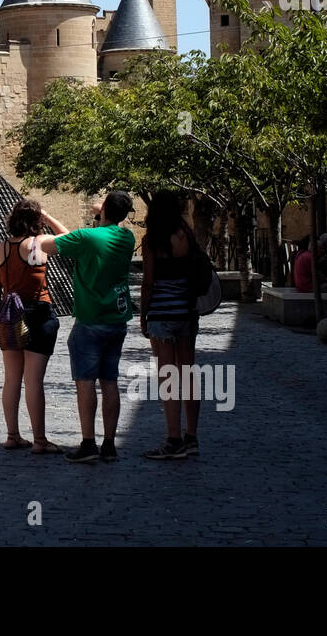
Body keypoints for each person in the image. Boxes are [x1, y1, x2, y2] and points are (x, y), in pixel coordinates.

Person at [40, 191, 135, 464]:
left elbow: (50, 246)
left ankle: (88, 442)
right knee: (110, 382)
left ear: (104, 209)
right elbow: (83, 232)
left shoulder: (88, 238)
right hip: (116, 320)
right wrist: (49, 218)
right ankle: (109, 444)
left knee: (85, 383)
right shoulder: (125, 238)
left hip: (90, 320)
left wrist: (42, 229)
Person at [0, 199, 61, 455]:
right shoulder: (38, 244)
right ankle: (40, 440)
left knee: (11, 380)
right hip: (38, 313)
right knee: (33, 381)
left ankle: (12, 435)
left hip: (10, 316)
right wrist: (48, 215)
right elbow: (69, 237)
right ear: (35, 221)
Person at [137, 191, 204, 460]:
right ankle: (191, 437)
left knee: (168, 377)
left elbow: (148, 283)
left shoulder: (152, 241)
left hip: (162, 314)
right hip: (186, 312)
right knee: (188, 375)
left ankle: (173, 439)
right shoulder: (186, 235)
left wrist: (143, 315)